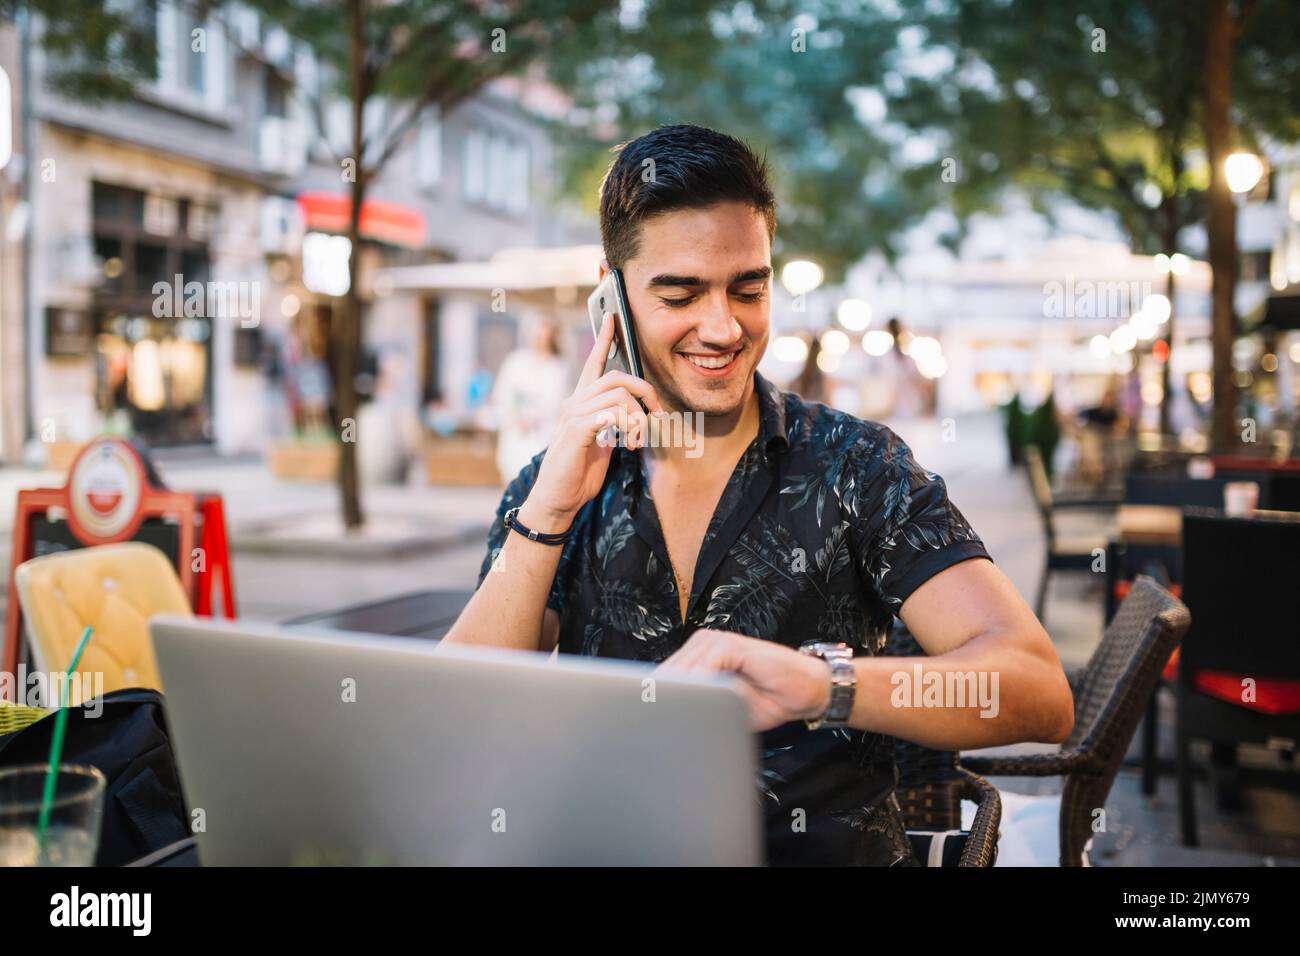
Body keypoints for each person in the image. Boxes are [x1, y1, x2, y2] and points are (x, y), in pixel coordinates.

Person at [443, 124, 1073, 866]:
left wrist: (823, 685)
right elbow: (459, 720)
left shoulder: (857, 467)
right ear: (610, 296)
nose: (724, 327)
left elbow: (1037, 691)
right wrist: (547, 510)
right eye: (680, 294)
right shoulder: (557, 488)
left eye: (749, 289)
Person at [491, 318, 571, 481]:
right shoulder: (515, 362)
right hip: (514, 437)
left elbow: (557, 403)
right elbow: (502, 395)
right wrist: (515, 419)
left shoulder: (558, 368)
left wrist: (533, 418)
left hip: (542, 438)